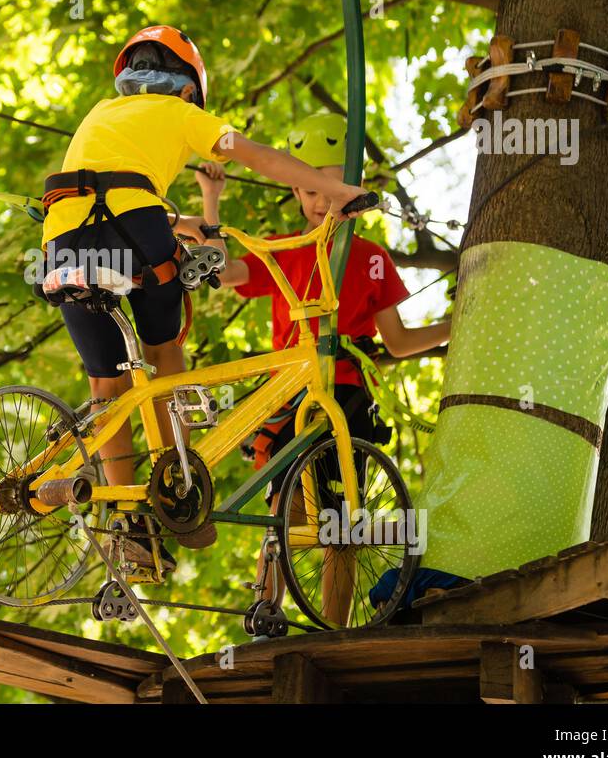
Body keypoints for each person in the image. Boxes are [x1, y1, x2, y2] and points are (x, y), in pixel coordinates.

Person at [39, 29, 370, 571]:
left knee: (107, 384)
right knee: (165, 350)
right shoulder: (181, 114)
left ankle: (129, 521)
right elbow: (258, 156)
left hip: (63, 235)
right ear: (190, 88)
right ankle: (180, 482)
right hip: (132, 226)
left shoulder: (102, 112)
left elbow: (106, 185)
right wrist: (337, 192)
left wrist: (180, 221)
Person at [175, 111, 451, 622]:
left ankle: (335, 628)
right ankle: (264, 609)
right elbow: (228, 270)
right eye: (310, 191)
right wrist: (210, 200)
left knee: (341, 524)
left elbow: (400, 340)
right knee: (286, 508)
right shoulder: (287, 252)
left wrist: (459, 324)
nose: (321, 201)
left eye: (331, 187)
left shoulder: (371, 259)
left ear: (357, 187)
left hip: (346, 397)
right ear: (297, 194)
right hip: (292, 391)